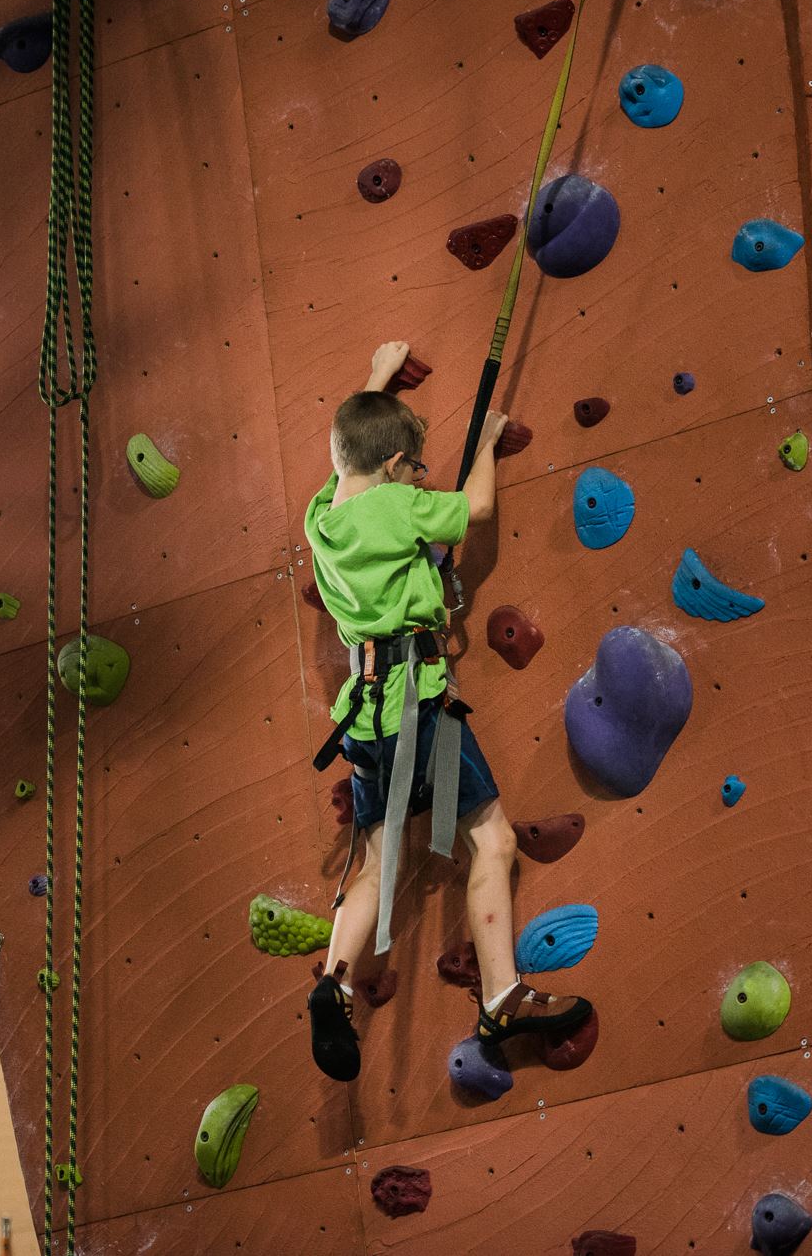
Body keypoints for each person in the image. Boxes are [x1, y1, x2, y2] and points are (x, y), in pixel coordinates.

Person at [302, 340, 592, 1082]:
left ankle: (334, 980)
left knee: (373, 860)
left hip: (364, 715)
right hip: (416, 701)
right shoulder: (400, 504)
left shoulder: (324, 520)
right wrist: (488, 442)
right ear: (399, 465)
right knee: (491, 841)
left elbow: (347, 450)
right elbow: (479, 506)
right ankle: (501, 996)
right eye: (412, 464)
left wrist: (374, 378)